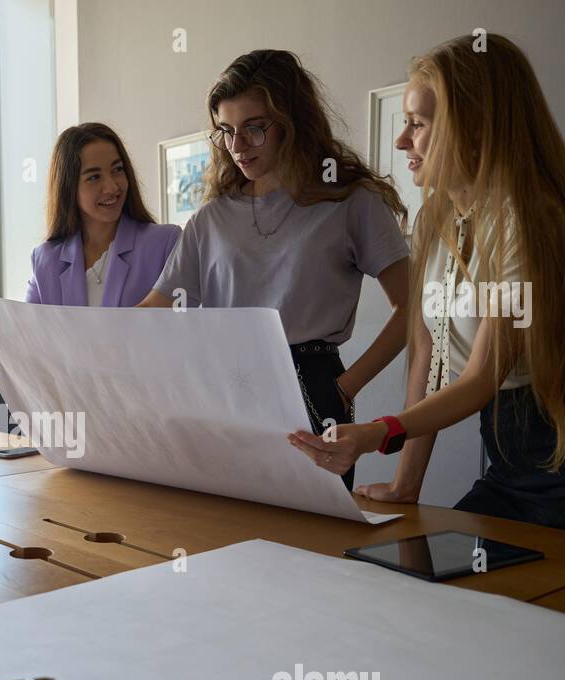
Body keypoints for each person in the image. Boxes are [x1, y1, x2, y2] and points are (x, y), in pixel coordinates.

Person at [288, 34, 565, 546]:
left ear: (475, 127)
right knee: (411, 579)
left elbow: (482, 376)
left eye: (419, 124)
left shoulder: (535, 219)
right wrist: (406, 483)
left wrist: (376, 433)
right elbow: (426, 359)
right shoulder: (434, 218)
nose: (402, 141)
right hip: (511, 470)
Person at [137, 50, 414, 490]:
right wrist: (54, 336)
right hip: (223, 390)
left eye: (254, 129)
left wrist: (345, 387)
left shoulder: (351, 202)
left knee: (312, 544)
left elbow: (412, 309)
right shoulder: (210, 219)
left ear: (292, 121)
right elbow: (152, 313)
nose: (237, 146)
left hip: (311, 385)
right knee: (225, 535)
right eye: (226, 132)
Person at [0, 122, 180, 411]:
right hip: (77, 419)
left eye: (117, 170)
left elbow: (180, 339)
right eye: (94, 177)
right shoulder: (46, 260)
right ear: (69, 187)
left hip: (148, 414)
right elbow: (26, 344)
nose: (112, 186)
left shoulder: (165, 243)